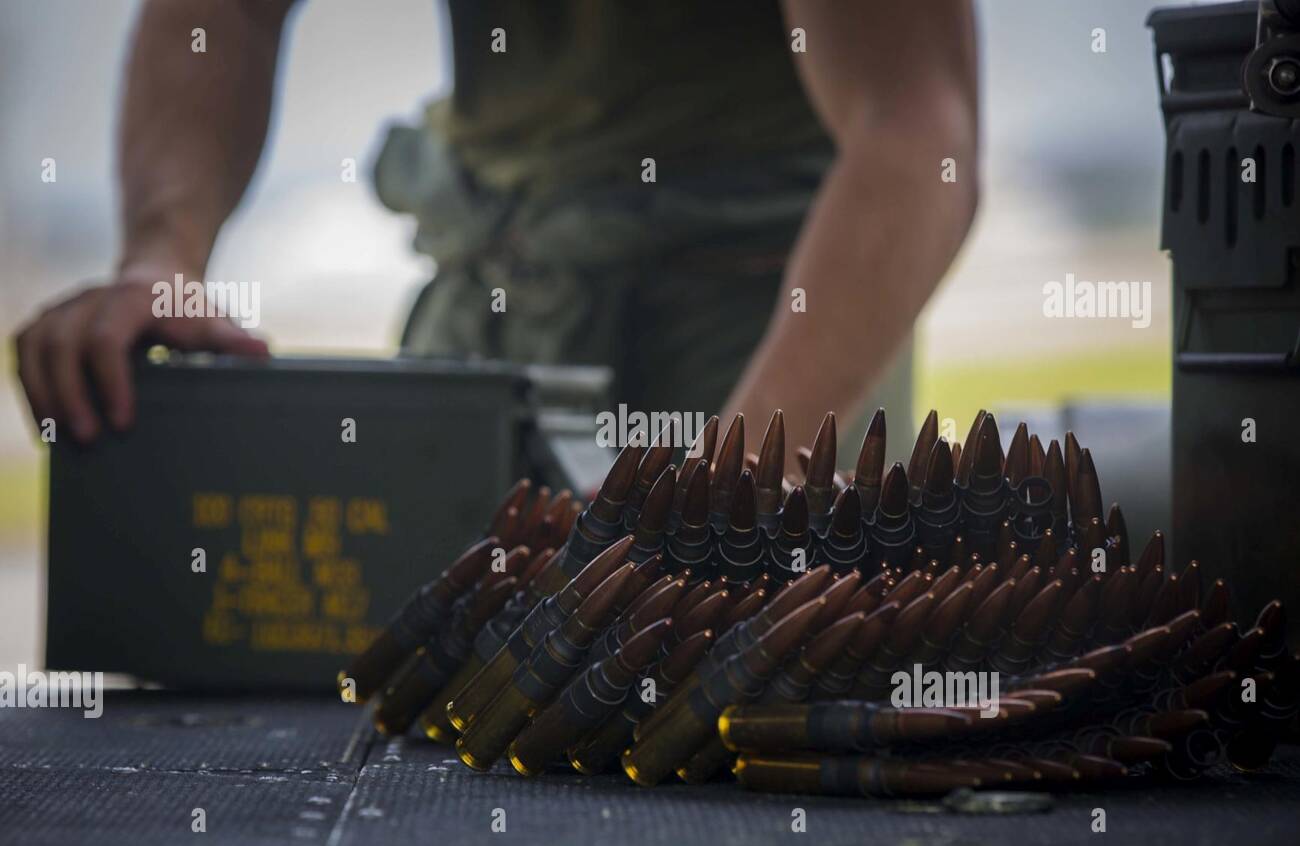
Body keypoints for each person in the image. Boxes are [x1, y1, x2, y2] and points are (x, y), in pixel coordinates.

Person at [14, 0, 978, 466]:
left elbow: (919, 134)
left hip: (774, 333)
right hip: (494, 306)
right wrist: (161, 255)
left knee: (745, 744)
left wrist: (728, 488)